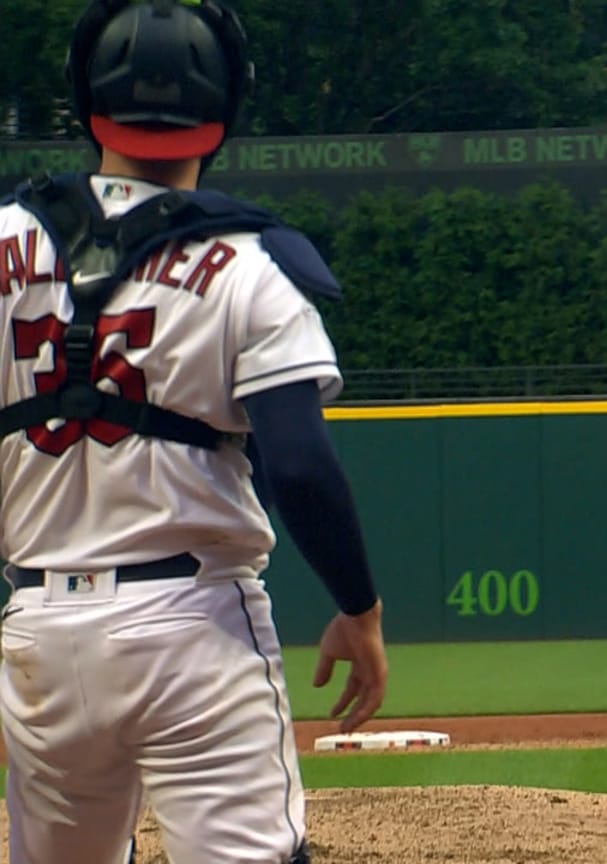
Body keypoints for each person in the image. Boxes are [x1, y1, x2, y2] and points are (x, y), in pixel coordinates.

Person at [0, 2, 388, 862]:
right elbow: (300, 465)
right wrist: (358, 608)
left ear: (83, 98)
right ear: (224, 116)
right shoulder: (251, 267)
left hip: (38, 634)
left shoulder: (2, 240)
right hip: (193, 630)